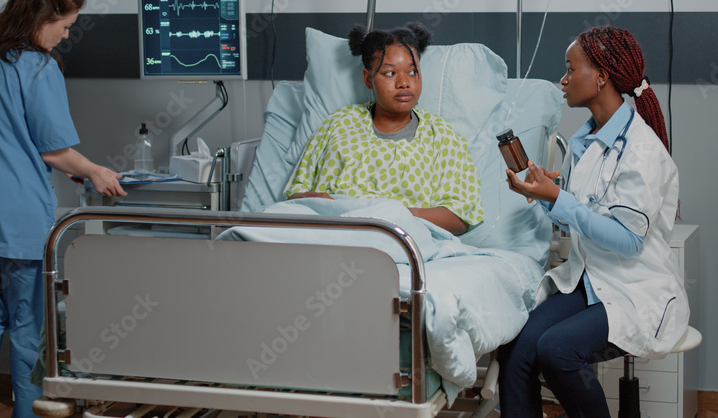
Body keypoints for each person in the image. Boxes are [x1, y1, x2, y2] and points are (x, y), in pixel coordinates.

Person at [0, 0, 126, 418]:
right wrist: (97, 171)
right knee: (28, 330)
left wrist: (69, 165)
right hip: (16, 218)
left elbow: (8, 133)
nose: (66, 35)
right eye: (64, 25)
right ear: (42, 19)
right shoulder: (39, 68)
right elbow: (53, 149)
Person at [497, 26, 688, 417]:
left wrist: (560, 198)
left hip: (634, 290)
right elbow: (579, 220)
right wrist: (544, 195)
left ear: (601, 76)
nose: (563, 80)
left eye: (570, 69)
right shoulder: (585, 141)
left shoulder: (642, 150)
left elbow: (628, 240)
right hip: (588, 282)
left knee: (556, 349)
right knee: (515, 349)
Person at [284, 23, 483, 235]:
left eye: (413, 72)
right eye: (390, 73)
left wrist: (392, 217)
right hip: (330, 233)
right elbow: (296, 195)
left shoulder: (441, 136)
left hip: (400, 237)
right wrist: (318, 201)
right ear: (368, 79)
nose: (404, 83)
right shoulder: (338, 124)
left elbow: (460, 217)